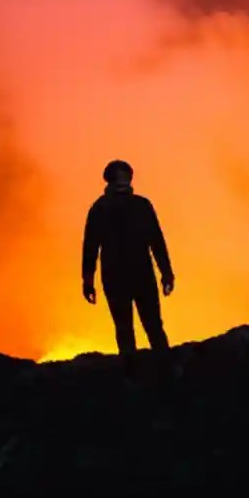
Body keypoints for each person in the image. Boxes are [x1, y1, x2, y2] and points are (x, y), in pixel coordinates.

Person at [81, 159, 176, 374]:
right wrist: (166, 273)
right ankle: (161, 371)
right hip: (130, 276)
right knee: (140, 327)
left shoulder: (104, 208)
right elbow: (90, 247)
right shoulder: (133, 206)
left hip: (127, 276)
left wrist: (167, 273)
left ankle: (143, 374)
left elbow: (156, 241)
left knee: (142, 326)